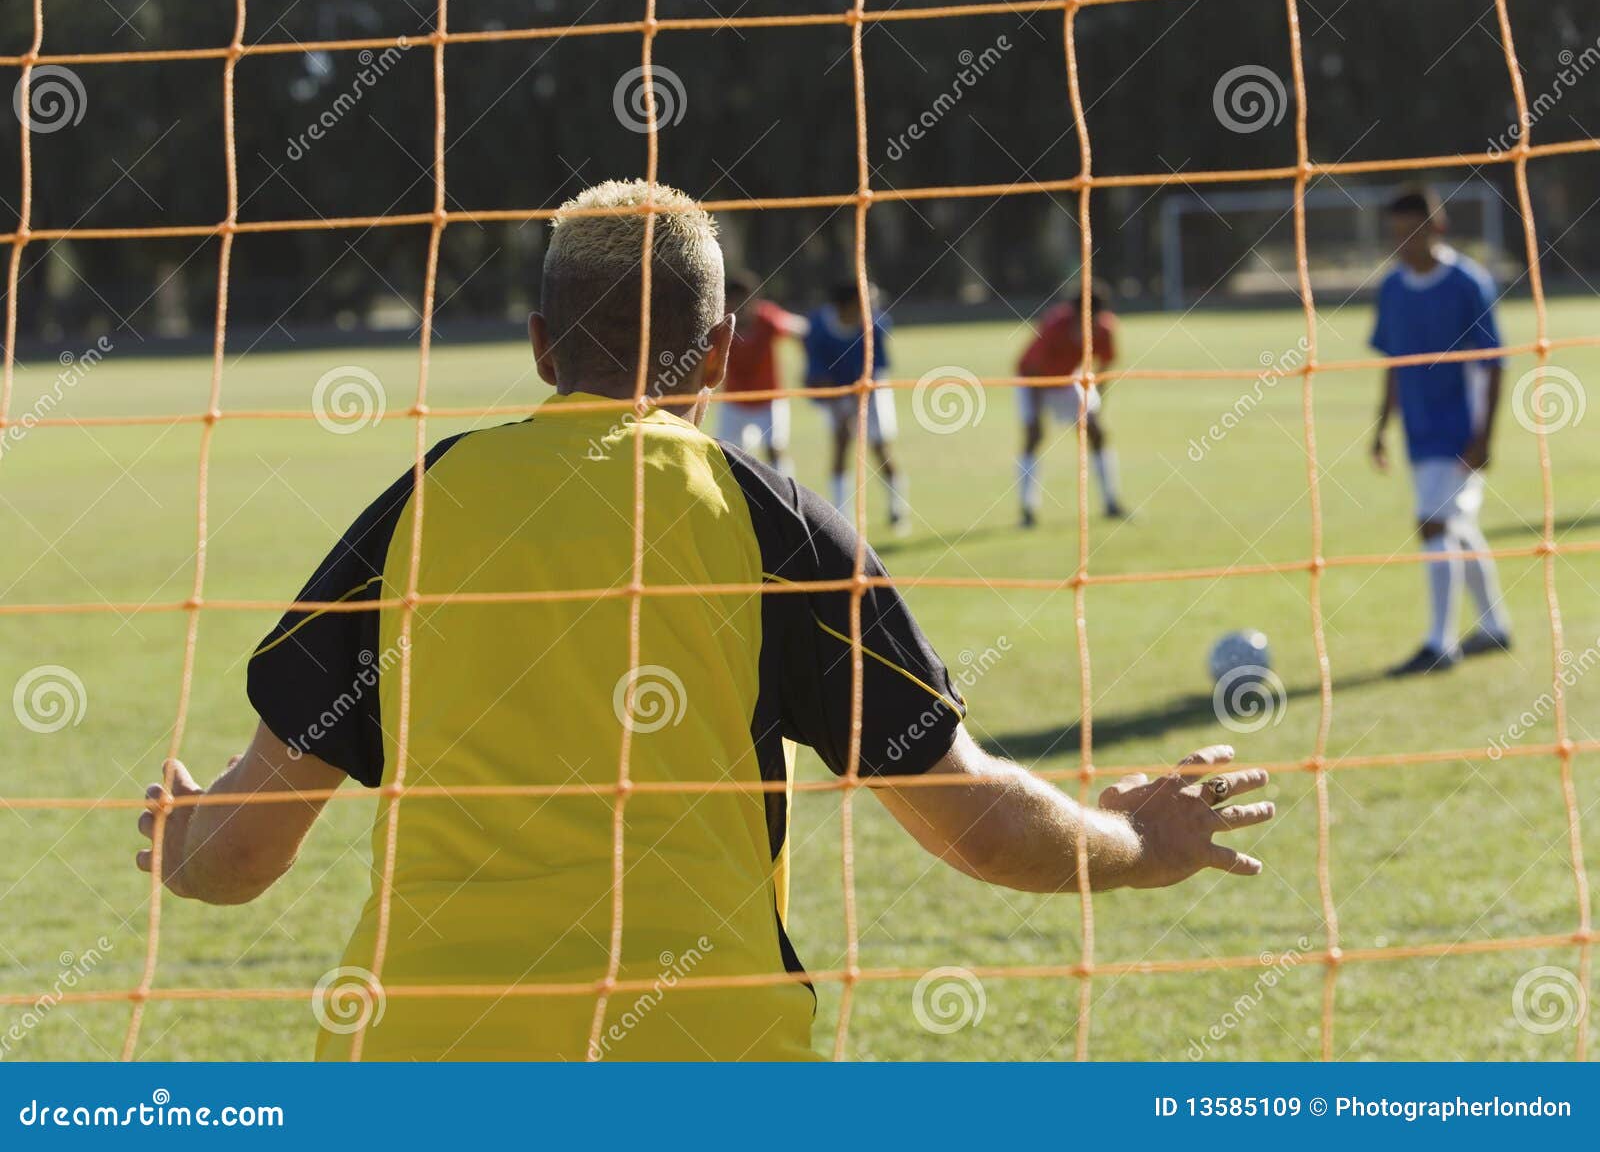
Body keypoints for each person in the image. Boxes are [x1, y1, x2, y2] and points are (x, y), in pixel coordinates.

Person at [135, 179, 1275, 1062]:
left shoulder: (416, 509)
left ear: (541, 346)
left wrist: (183, 841)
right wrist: (1138, 843)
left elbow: (235, 856)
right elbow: (972, 824)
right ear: (723, 352)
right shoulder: (776, 524)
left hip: (414, 1066)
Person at [1370, 183, 1513, 676]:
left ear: (1438, 228)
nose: (1405, 243)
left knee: (1432, 523)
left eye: (1413, 232)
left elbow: (1494, 363)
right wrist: (1381, 427)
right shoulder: (1392, 289)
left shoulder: (1468, 282)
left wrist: (1485, 437)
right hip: (1419, 431)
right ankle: (1494, 627)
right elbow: (1394, 363)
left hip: (1459, 430)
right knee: (1455, 527)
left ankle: (1439, 644)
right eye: (1396, 234)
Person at [803, 279, 909, 531]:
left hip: (870, 389)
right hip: (836, 391)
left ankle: (897, 509)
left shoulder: (877, 324)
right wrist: (839, 408)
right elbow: (817, 372)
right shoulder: (818, 327)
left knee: (880, 448)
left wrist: (858, 405)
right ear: (849, 303)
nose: (872, 305)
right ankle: (842, 517)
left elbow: (876, 368)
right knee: (840, 445)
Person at [1016, 279, 1124, 526]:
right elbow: (1033, 370)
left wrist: (1096, 405)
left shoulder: (1105, 328)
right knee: (1033, 436)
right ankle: (1027, 510)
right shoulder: (1055, 325)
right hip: (1033, 381)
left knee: (1096, 431)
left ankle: (1111, 502)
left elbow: (1105, 366)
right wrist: (1035, 416)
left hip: (1067, 380)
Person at [714, 268, 808, 477]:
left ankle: (784, 493)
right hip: (735, 400)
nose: (740, 307)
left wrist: (807, 366)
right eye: (735, 301)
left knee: (774, 449)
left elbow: (800, 328)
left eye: (745, 301)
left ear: (755, 300)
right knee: (723, 454)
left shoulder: (768, 319)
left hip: (768, 398)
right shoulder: (721, 324)